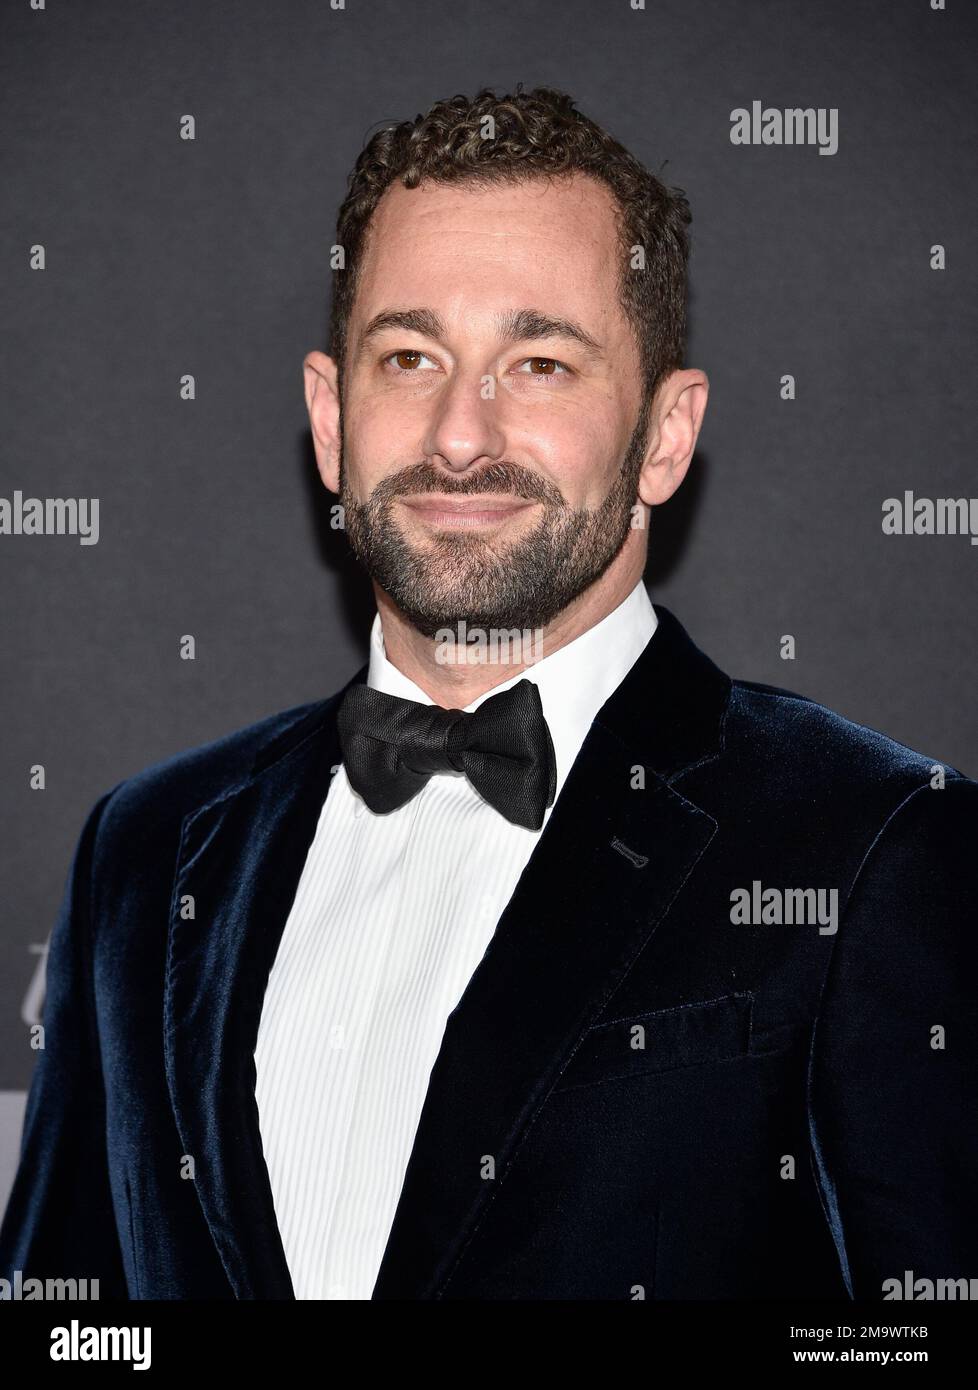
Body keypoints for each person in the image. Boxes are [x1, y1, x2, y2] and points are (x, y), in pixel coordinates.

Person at [2, 85, 976, 1302]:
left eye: (542, 362)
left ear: (666, 437)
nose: (462, 433)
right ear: (329, 417)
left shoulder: (877, 844)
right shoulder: (144, 853)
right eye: (410, 357)